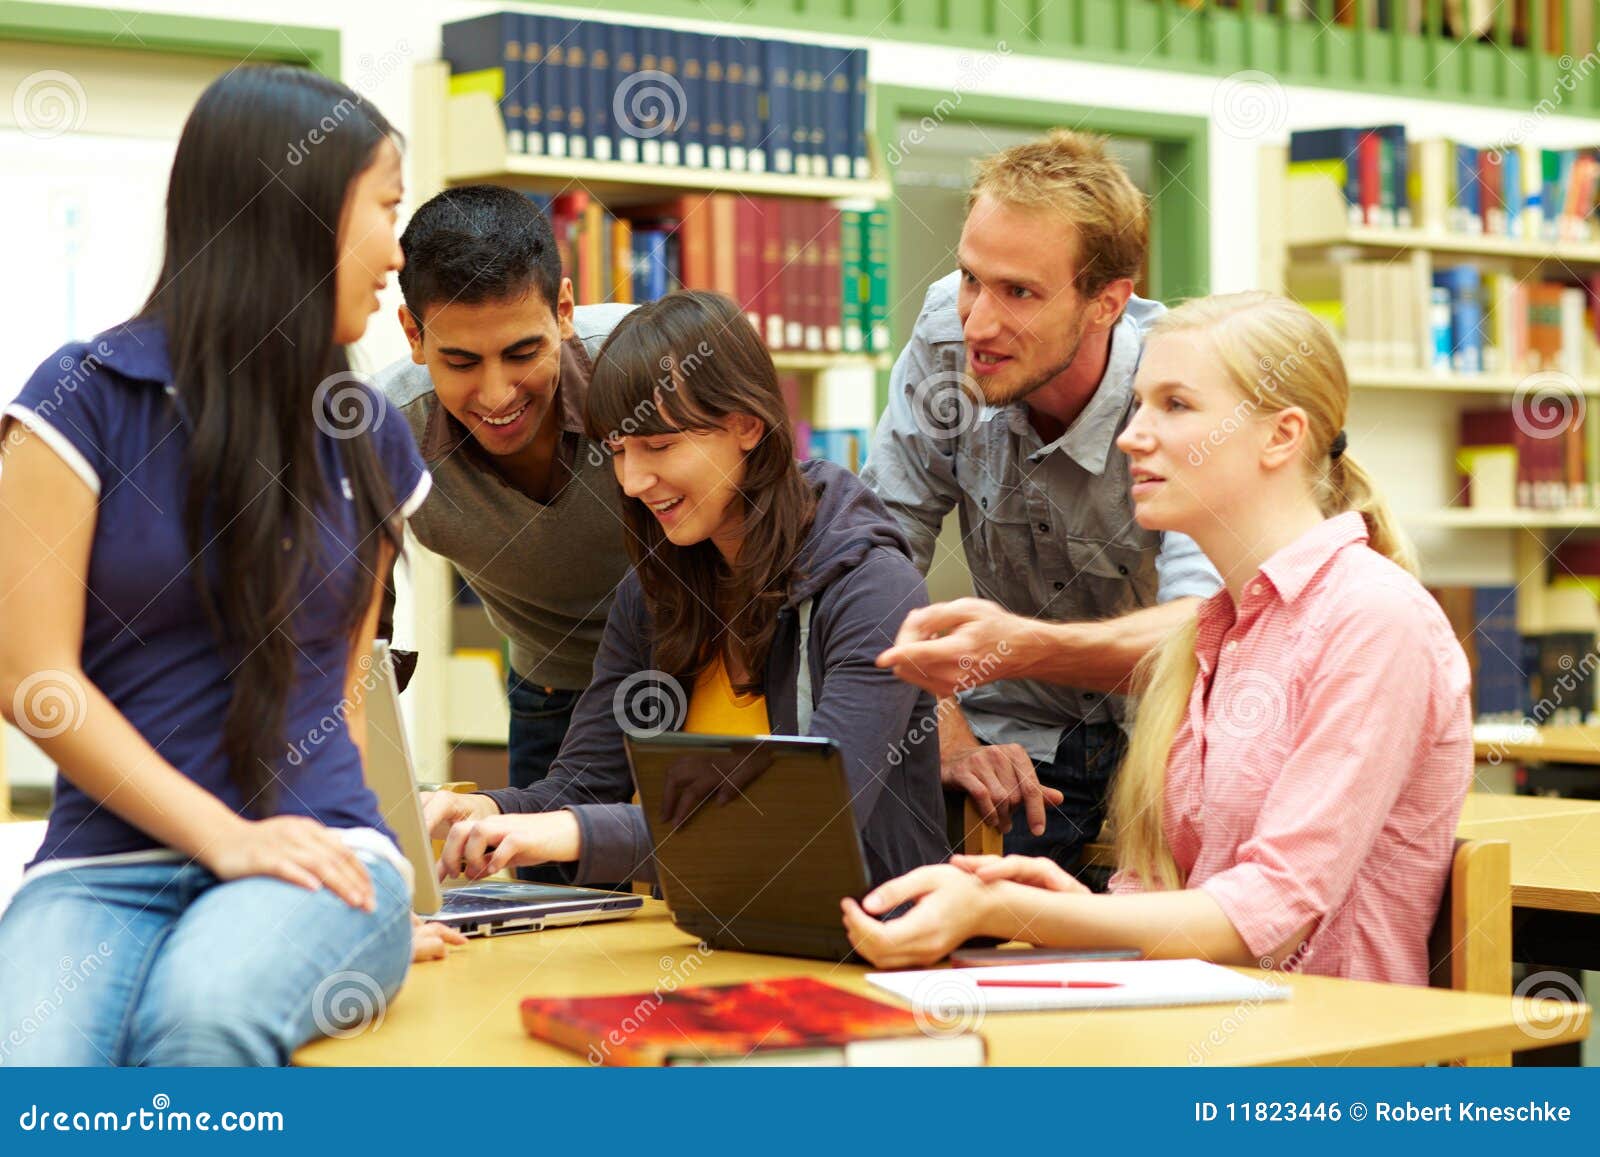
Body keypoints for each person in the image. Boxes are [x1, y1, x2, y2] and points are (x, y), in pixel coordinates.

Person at [0, 66, 458, 1067]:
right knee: (28, 1067)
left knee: (201, 1022)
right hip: (100, 863)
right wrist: (222, 835)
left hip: (319, 847)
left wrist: (357, 924)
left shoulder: (367, 433)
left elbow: (338, 698)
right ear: (295, 207)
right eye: (385, 206)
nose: (397, 247)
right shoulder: (82, 400)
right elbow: (31, 677)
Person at [843, 293, 1473, 987]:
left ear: (1280, 436)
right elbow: (1175, 892)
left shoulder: (1374, 618)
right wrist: (1071, 907)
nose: (1131, 435)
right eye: (1139, 403)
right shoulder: (1214, 630)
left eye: (1175, 405)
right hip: (1202, 1040)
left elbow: (1272, 910)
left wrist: (1015, 910)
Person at [420, 292, 948, 888]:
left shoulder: (871, 588)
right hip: (706, 942)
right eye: (618, 451)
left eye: (660, 446)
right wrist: (491, 811)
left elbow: (808, 821)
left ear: (746, 426)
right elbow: (585, 783)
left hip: (863, 948)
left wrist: (572, 831)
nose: (633, 480)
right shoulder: (652, 589)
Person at [861, 130, 1221, 872]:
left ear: (1107, 303)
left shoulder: (1186, 386)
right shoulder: (949, 336)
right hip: (1013, 738)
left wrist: (1020, 647)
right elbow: (874, 558)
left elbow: (1202, 639)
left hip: (1177, 735)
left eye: (1019, 292)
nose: (978, 322)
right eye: (970, 278)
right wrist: (942, 721)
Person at [376, 186, 635, 882]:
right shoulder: (378, 431)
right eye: (460, 361)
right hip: (552, 692)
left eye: (523, 352)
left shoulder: (650, 365)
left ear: (566, 309)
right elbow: (350, 640)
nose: (496, 395)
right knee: (556, 914)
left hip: (700, 679)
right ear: (412, 333)